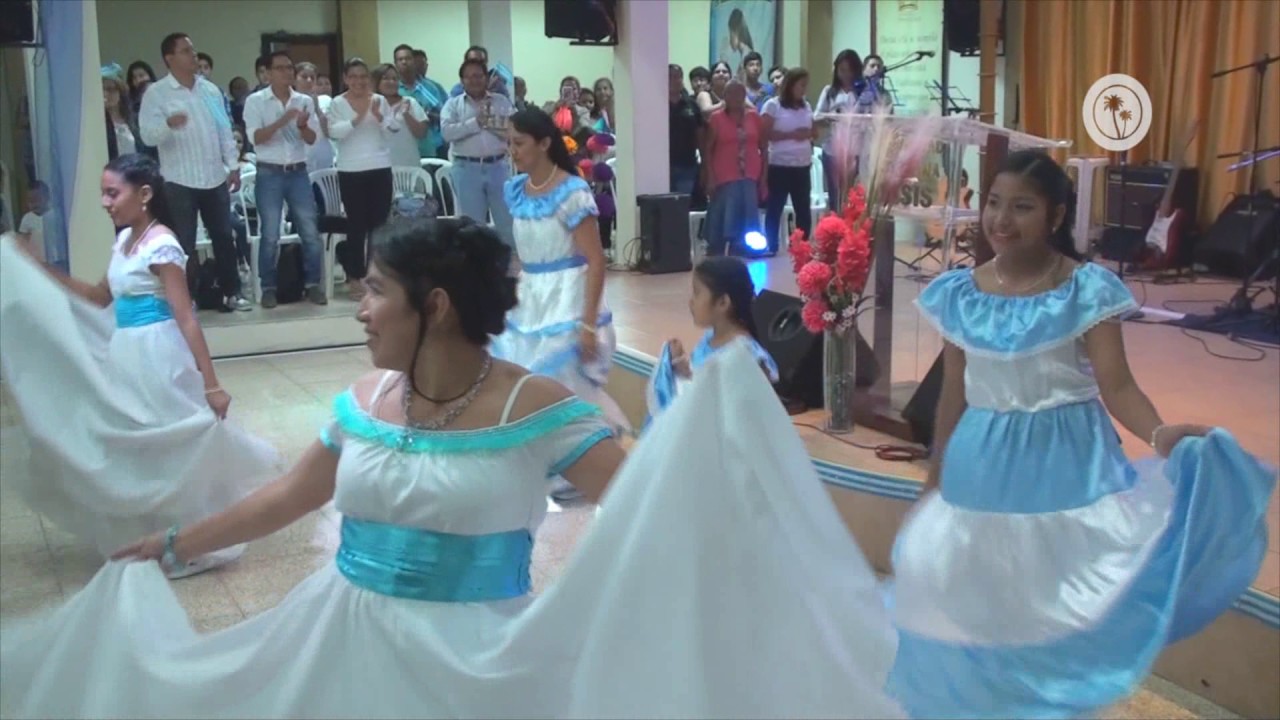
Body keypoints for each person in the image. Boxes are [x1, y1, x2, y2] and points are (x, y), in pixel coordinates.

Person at [0, 216, 909, 720]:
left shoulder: (538, 411)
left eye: (371, 291)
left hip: (482, 671)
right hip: (340, 645)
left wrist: (727, 464)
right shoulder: (368, 397)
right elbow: (285, 497)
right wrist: (167, 542)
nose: (357, 309)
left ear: (432, 306)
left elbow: (647, 500)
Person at [885, 150, 1276, 718]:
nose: (1001, 219)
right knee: (982, 599)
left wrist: (1161, 433)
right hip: (981, 464)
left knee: (1057, 604)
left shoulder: (1085, 289)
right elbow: (954, 393)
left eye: (1022, 207)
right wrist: (935, 475)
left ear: (1056, 214)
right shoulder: (958, 292)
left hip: (1066, 464)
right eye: (994, 203)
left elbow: (1118, 386)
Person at [0, 153, 279, 578]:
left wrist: (211, 382)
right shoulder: (125, 241)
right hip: (125, 351)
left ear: (144, 194)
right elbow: (97, 297)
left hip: (158, 353)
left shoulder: (161, 244)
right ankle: (150, 532)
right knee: (137, 445)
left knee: (169, 441)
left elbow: (185, 316)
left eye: (113, 193)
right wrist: (39, 269)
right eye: (103, 193)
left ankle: (189, 538)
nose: (105, 202)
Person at [493, 108, 630, 503]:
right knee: (525, 381)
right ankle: (554, 467)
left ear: (544, 143)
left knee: (561, 381)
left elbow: (596, 259)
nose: (512, 150)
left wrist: (587, 323)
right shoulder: (517, 190)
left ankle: (585, 466)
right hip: (532, 296)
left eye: (518, 143)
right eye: (509, 142)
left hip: (568, 297)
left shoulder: (572, 191)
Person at [138, 32, 251, 312]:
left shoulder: (210, 91)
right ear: (169, 58)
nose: (194, 55)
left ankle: (232, 293)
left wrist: (233, 166)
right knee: (182, 242)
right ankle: (182, 298)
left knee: (224, 237)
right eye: (186, 51)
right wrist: (168, 125)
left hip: (213, 176)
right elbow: (147, 136)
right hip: (179, 179)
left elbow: (225, 129)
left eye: (193, 49)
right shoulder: (157, 93)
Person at [242, 50, 329, 308]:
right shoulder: (255, 101)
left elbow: (312, 139)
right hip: (269, 172)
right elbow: (255, 138)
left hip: (298, 171)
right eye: (280, 68)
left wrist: (302, 126)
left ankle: (313, 284)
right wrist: (283, 120)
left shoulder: (303, 100)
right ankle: (268, 287)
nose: (287, 72)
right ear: (267, 73)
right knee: (270, 233)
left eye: (289, 67)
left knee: (309, 230)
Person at [647, 257, 777, 422]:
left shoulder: (746, 354)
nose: (691, 301)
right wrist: (680, 367)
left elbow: (749, 410)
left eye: (697, 293)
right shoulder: (710, 337)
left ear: (723, 302)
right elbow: (701, 382)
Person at [327, 57, 395, 300]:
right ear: (346, 79)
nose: (359, 81)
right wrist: (359, 116)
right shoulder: (337, 103)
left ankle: (377, 275)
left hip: (380, 167)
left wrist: (378, 116)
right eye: (353, 77)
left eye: (363, 76)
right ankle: (355, 276)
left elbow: (392, 130)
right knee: (357, 225)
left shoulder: (380, 101)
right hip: (351, 170)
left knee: (379, 224)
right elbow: (334, 132)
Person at [441, 58, 515, 250]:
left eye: (478, 76)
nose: (474, 80)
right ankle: (477, 271)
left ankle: (508, 269)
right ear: (462, 80)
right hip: (467, 169)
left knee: (507, 221)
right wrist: (476, 123)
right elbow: (447, 133)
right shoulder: (453, 105)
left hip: (498, 166)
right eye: (469, 77)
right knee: (473, 225)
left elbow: (515, 130)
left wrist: (493, 126)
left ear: (486, 78)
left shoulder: (502, 101)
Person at [702, 81, 767, 257]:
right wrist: (709, 176)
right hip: (724, 176)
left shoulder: (754, 117)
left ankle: (745, 248)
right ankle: (718, 249)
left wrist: (764, 177)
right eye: (731, 94)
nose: (736, 98)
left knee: (748, 214)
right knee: (723, 214)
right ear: (725, 96)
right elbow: (707, 149)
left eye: (740, 94)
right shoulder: (716, 118)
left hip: (750, 174)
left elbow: (764, 147)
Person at [761, 67, 815, 256]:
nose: (803, 89)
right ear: (790, 85)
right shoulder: (773, 105)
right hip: (780, 165)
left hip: (802, 165)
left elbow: (812, 131)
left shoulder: (806, 106)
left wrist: (809, 133)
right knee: (776, 207)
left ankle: (802, 245)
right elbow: (765, 133)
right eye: (801, 85)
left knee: (803, 208)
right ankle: (771, 244)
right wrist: (792, 135)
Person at [815, 49, 863, 212]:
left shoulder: (862, 92)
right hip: (832, 150)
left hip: (855, 149)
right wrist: (832, 116)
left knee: (851, 195)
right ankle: (836, 229)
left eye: (850, 70)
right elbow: (816, 118)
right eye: (842, 70)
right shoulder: (830, 91)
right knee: (835, 194)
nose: (846, 74)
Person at [373, 63, 430, 168]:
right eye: (386, 78)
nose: (392, 82)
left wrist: (406, 115)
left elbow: (422, 134)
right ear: (377, 81)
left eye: (395, 79)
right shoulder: (371, 104)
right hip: (379, 166)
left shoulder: (410, 102)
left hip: (408, 164)